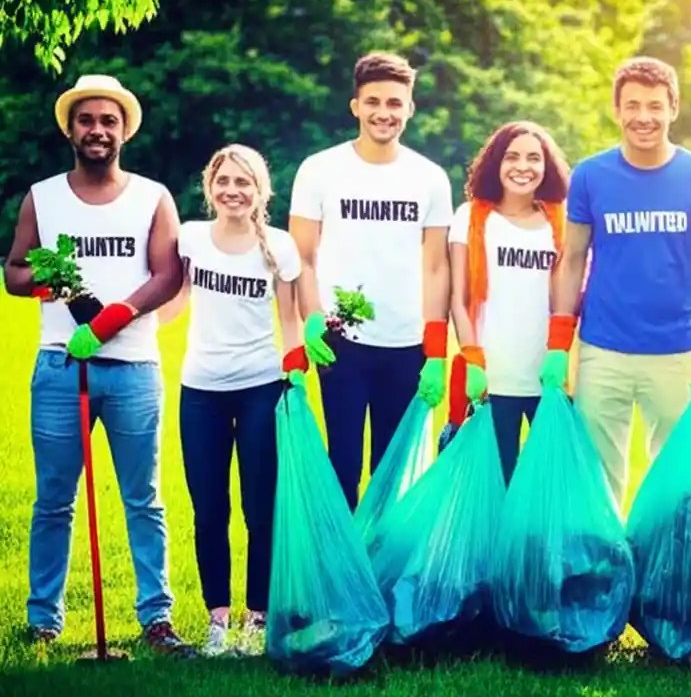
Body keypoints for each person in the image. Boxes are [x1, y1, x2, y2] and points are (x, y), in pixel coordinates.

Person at [2, 74, 192, 654]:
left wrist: (115, 316)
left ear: (124, 131)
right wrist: (51, 282)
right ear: (70, 129)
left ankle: (156, 618)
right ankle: (44, 619)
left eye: (109, 121)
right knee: (54, 499)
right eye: (86, 120)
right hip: (62, 367)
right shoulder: (42, 196)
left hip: (133, 367)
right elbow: (14, 272)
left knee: (144, 499)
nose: (97, 130)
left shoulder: (152, 196)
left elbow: (169, 274)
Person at [540, 56, 691, 508]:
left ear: (673, 108)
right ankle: (607, 554)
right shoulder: (590, 176)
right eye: (632, 106)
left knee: (678, 477)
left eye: (654, 106)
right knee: (597, 477)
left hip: (675, 350)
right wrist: (558, 344)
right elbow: (572, 259)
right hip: (602, 349)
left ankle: (664, 553)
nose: (643, 117)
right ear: (617, 110)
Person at [156, 144, 305, 657]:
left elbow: (289, 319)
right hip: (201, 392)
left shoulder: (279, 246)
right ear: (210, 187)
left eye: (243, 182)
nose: (232, 191)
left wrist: (296, 371)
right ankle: (218, 618)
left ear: (260, 191)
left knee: (260, 509)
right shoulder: (192, 238)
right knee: (209, 509)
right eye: (223, 181)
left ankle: (257, 617)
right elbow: (173, 300)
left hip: (261, 387)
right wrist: (126, 326)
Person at [288, 51, 454, 510]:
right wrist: (312, 318)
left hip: (407, 343)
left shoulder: (430, 178)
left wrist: (436, 351)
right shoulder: (319, 169)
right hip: (342, 342)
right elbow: (302, 256)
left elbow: (437, 267)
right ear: (355, 106)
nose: (384, 112)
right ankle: (343, 557)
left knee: (392, 474)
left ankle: (382, 556)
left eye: (395, 103)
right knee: (342, 464)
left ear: (410, 109)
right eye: (374, 101)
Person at [447, 121, 571, 483]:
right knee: (495, 483)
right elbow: (459, 299)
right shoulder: (470, 217)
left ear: (546, 167)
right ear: (496, 163)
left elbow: (566, 302)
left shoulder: (560, 223)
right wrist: (472, 358)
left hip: (547, 379)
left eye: (534, 158)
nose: (523, 166)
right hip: (491, 379)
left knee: (547, 484)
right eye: (512, 157)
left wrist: (562, 358)